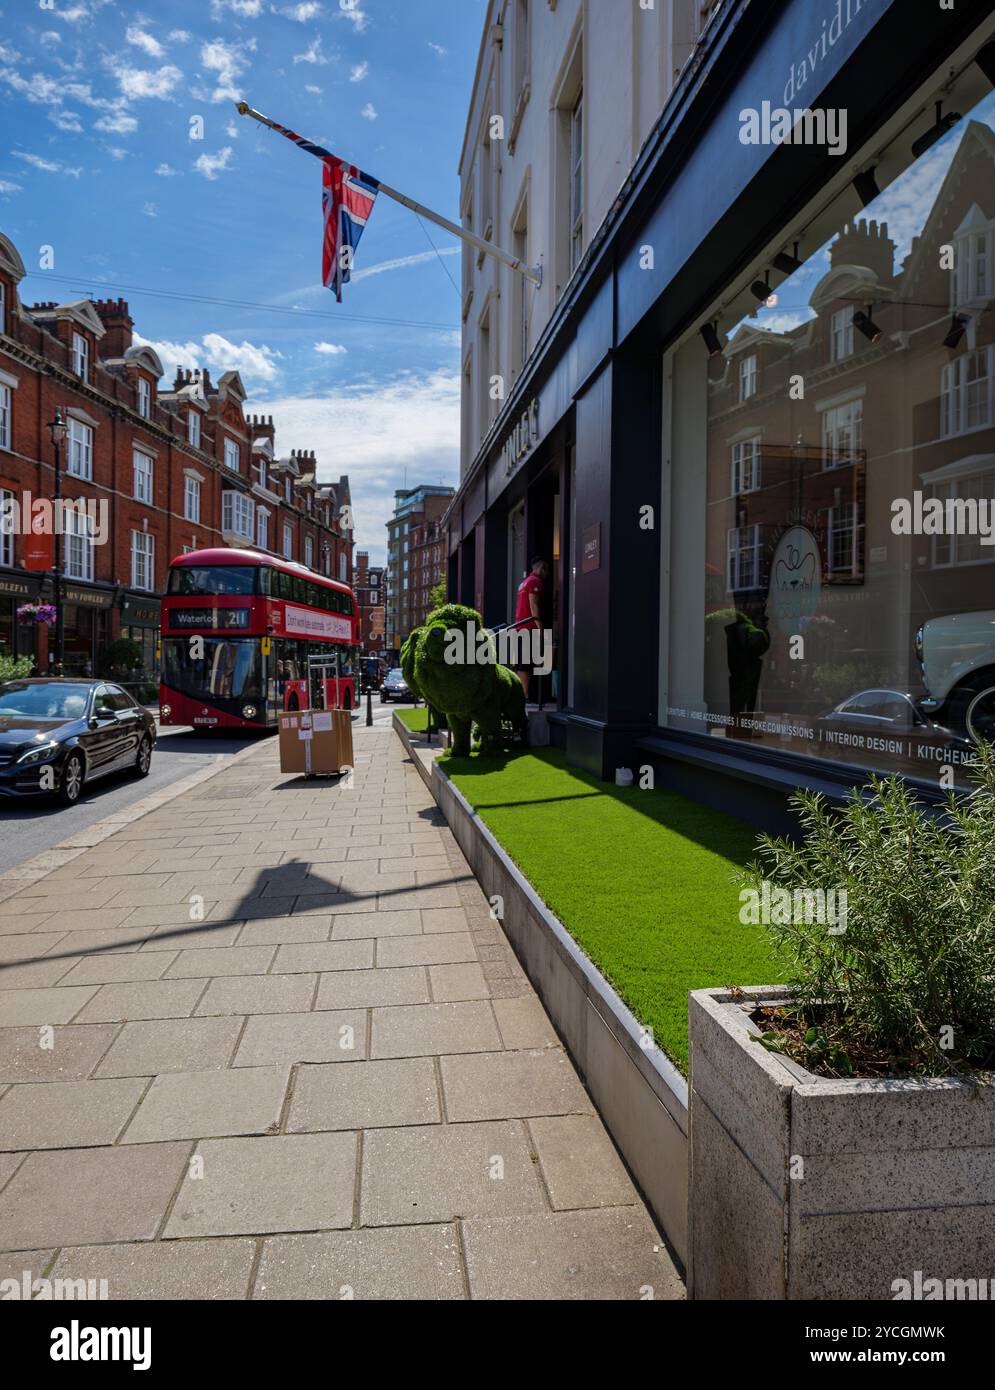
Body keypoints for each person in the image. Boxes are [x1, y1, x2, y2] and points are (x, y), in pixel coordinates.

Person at [514, 558, 547, 698]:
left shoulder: (523, 583)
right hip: (529, 628)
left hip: (519, 626)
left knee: (521, 663)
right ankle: (525, 696)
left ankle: (522, 695)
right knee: (525, 664)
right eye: (548, 569)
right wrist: (540, 628)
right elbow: (533, 605)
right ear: (542, 567)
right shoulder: (535, 581)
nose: (548, 573)